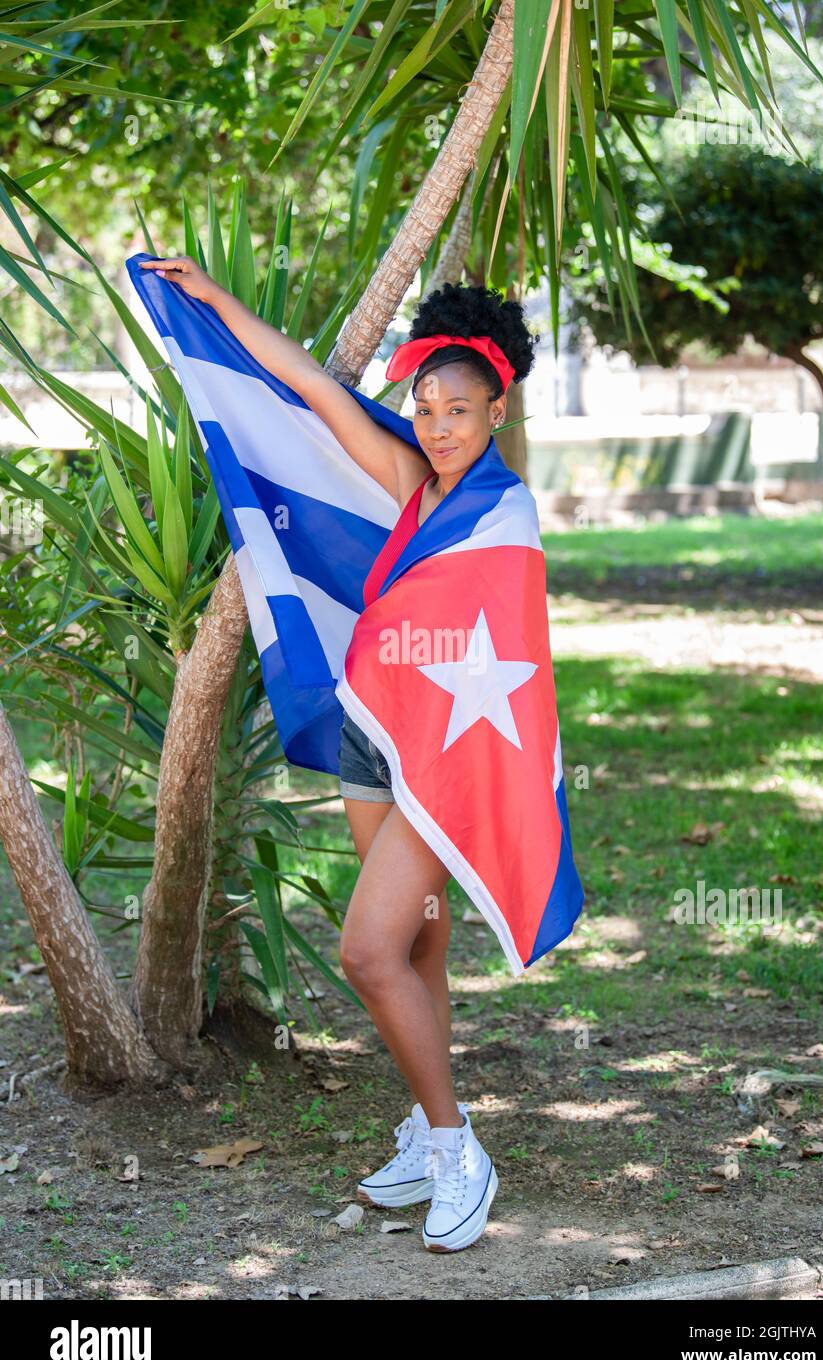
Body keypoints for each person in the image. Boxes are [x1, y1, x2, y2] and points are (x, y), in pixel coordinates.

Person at [139, 258, 537, 1252]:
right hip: (373, 738)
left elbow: (509, 663)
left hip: (439, 759)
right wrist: (217, 307)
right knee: (417, 946)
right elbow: (315, 388)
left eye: (458, 408)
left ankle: (457, 1149)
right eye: (425, 405)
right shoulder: (410, 479)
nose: (438, 424)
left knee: (366, 952)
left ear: (496, 408)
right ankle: (424, 1123)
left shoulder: (504, 513)